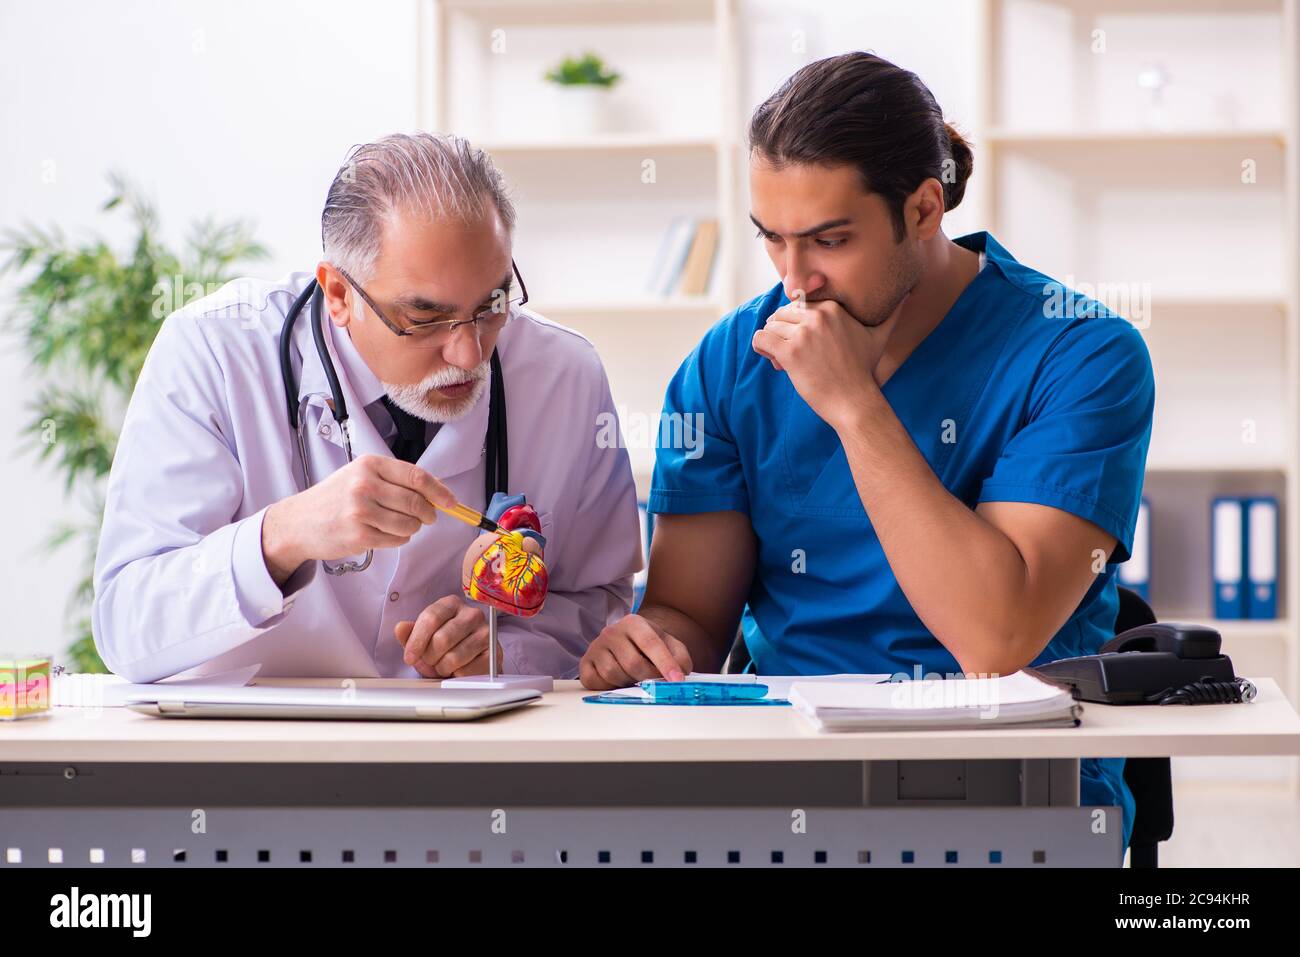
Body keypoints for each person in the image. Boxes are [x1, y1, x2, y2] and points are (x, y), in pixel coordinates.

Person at [580, 53, 1154, 851]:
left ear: (923, 209)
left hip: (1019, 793)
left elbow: (995, 637)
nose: (795, 282)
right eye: (772, 240)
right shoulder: (726, 365)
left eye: (829, 240)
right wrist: (643, 647)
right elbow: (692, 621)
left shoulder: (1083, 354)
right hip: (786, 786)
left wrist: (853, 404)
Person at [93, 133, 641, 683]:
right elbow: (127, 626)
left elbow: (601, 608)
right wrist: (283, 535)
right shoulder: (213, 351)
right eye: (424, 318)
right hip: (255, 753)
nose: (469, 352)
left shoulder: (565, 374)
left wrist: (507, 650)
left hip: (472, 758)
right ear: (337, 293)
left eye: (492, 304)